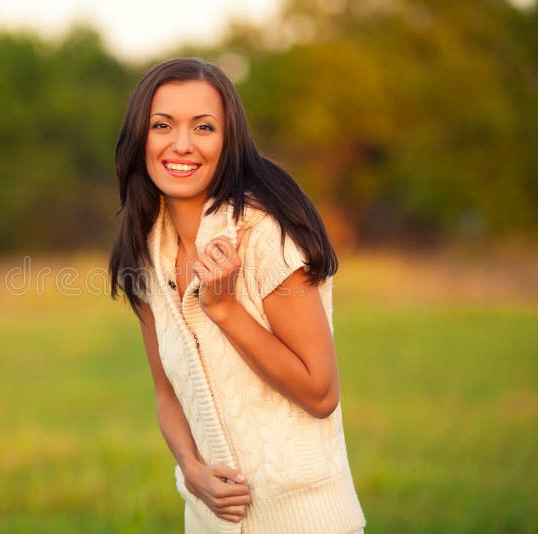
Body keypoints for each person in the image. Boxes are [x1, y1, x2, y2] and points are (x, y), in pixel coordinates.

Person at [109, 58, 366, 534]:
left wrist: (225, 309)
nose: (181, 144)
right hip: (209, 523)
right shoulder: (146, 253)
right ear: (139, 138)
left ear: (228, 142)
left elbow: (321, 391)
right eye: (162, 125)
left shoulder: (265, 234)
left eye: (203, 127)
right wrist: (190, 469)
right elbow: (166, 395)